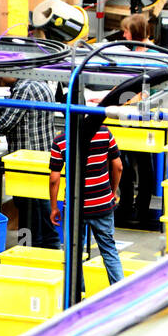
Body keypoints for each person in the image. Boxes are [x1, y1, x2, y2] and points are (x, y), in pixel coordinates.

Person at [0, 77, 59, 250]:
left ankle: (29, 257)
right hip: (40, 161)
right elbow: (18, 123)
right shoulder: (40, 83)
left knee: (32, 219)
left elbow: (4, 123)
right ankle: (38, 254)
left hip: (28, 166)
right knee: (40, 217)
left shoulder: (25, 88)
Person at [48, 121, 125, 289]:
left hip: (76, 207)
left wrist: (54, 207)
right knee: (109, 250)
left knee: (73, 254)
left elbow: (54, 179)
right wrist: (112, 192)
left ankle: (77, 295)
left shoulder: (61, 140)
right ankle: (121, 292)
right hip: (103, 203)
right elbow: (118, 166)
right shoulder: (104, 133)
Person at [116, 12, 159, 228]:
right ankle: (125, 204)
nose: (123, 34)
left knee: (143, 161)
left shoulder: (152, 53)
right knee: (122, 158)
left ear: (136, 32)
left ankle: (142, 207)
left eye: (126, 31)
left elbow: (151, 88)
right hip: (127, 113)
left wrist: (131, 100)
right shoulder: (132, 51)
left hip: (144, 115)